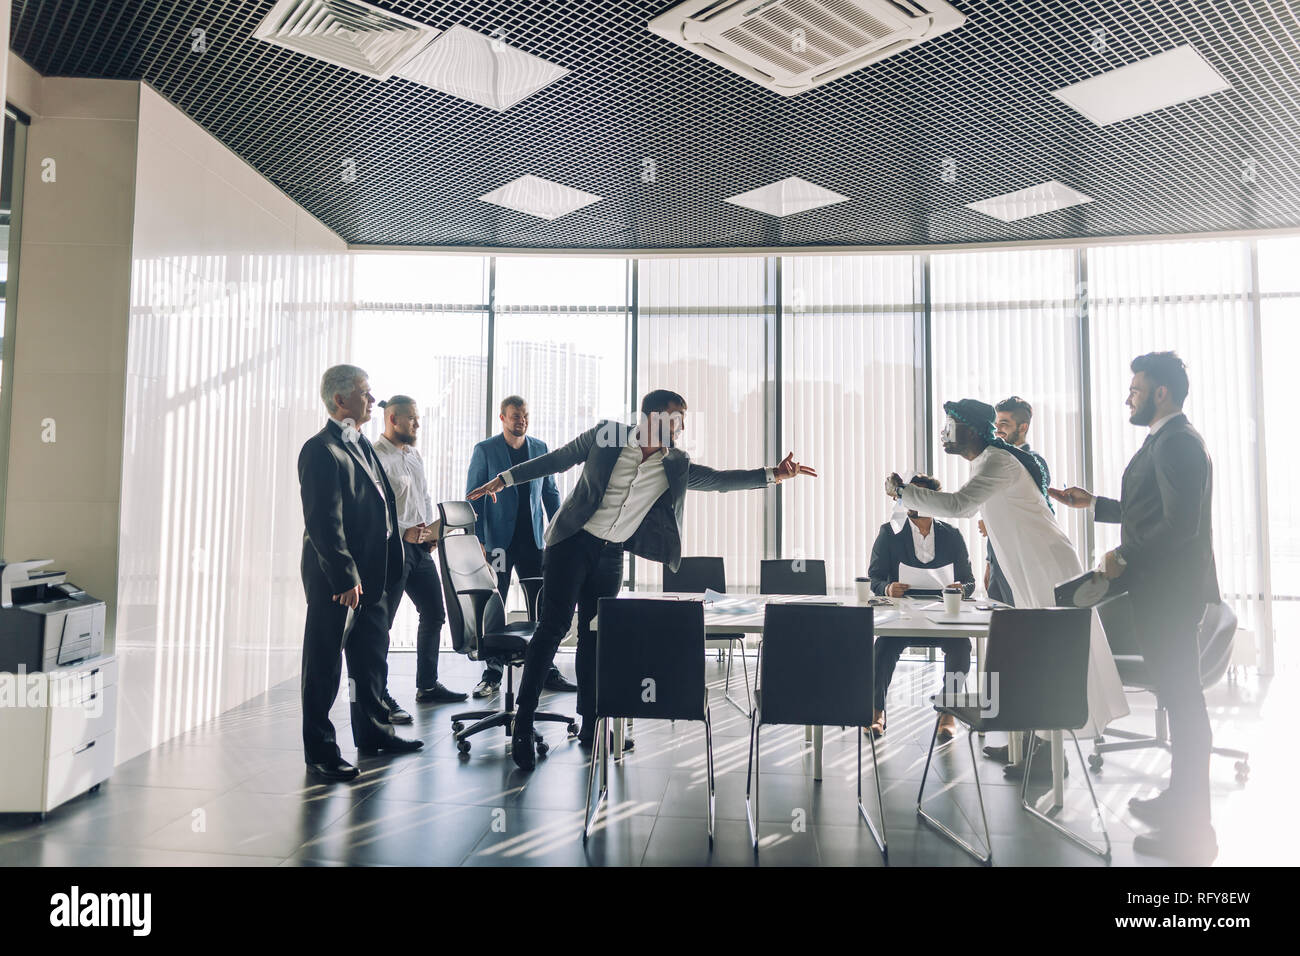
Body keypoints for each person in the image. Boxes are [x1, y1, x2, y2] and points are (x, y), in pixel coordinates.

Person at [468, 389, 817, 771]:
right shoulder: (607, 436)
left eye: (684, 420)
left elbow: (718, 480)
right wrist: (505, 479)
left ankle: (591, 726)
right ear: (651, 417)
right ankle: (524, 719)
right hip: (570, 542)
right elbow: (558, 460)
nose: (682, 427)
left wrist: (773, 475)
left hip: (611, 553)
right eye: (676, 418)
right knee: (552, 629)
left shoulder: (676, 463)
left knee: (594, 635)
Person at [885, 398, 1128, 781]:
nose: (945, 432)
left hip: (1046, 566)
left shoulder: (997, 461)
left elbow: (961, 506)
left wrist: (904, 494)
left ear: (971, 429)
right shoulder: (989, 462)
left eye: (951, 424)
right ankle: (1041, 745)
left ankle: (1051, 754)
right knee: (1040, 656)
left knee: (1053, 656)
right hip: (1031, 566)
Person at [1051, 352, 1218, 863]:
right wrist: (1095, 506)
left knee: (1186, 709)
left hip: (1168, 596)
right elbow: (1155, 509)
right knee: (1179, 700)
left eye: (1136, 388)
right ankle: (1178, 803)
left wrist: (1124, 555)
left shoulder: (1178, 444)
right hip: (1161, 594)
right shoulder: (1169, 441)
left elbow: (1180, 526)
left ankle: (1194, 831)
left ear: (1160, 393)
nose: (1129, 396)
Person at [298, 365, 422, 782]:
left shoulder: (363, 445)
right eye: (366, 393)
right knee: (324, 668)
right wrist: (345, 576)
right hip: (339, 582)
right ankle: (320, 752)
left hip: (374, 578)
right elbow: (323, 524)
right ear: (340, 400)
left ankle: (374, 733)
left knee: (369, 662)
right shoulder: (320, 450)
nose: (372, 400)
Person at [465, 396, 574, 699]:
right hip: (498, 542)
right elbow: (473, 498)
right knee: (493, 604)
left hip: (535, 542)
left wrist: (561, 531)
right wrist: (479, 542)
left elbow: (550, 494)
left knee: (542, 605)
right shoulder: (485, 450)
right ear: (502, 417)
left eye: (525, 415)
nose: (521, 421)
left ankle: (546, 668)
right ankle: (493, 672)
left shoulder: (539, 449)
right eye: (515, 416)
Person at [372, 395, 467, 708]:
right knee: (382, 623)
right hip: (392, 549)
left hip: (421, 549)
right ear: (393, 419)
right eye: (411, 418)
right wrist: (403, 531)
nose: (417, 424)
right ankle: (379, 694)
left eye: (417, 418)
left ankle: (427, 685)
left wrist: (430, 531)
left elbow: (424, 496)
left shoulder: (413, 454)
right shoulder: (375, 457)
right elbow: (374, 508)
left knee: (434, 613)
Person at [867, 474, 976, 742]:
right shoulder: (890, 532)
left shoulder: (951, 535)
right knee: (883, 648)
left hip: (943, 616)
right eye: (912, 495)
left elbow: (970, 581)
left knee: (962, 647)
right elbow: (875, 578)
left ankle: (947, 713)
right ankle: (876, 712)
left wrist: (962, 589)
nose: (917, 501)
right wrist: (888, 589)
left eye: (923, 495)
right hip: (904, 617)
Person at [979, 396, 1050, 605]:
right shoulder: (997, 461)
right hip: (998, 561)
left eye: (1004, 423)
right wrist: (989, 564)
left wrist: (993, 524)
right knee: (1000, 628)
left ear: (1023, 427)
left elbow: (1028, 514)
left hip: (1023, 562)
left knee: (1020, 625)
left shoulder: (1035, 464)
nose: (997, 429)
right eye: (995, 423)